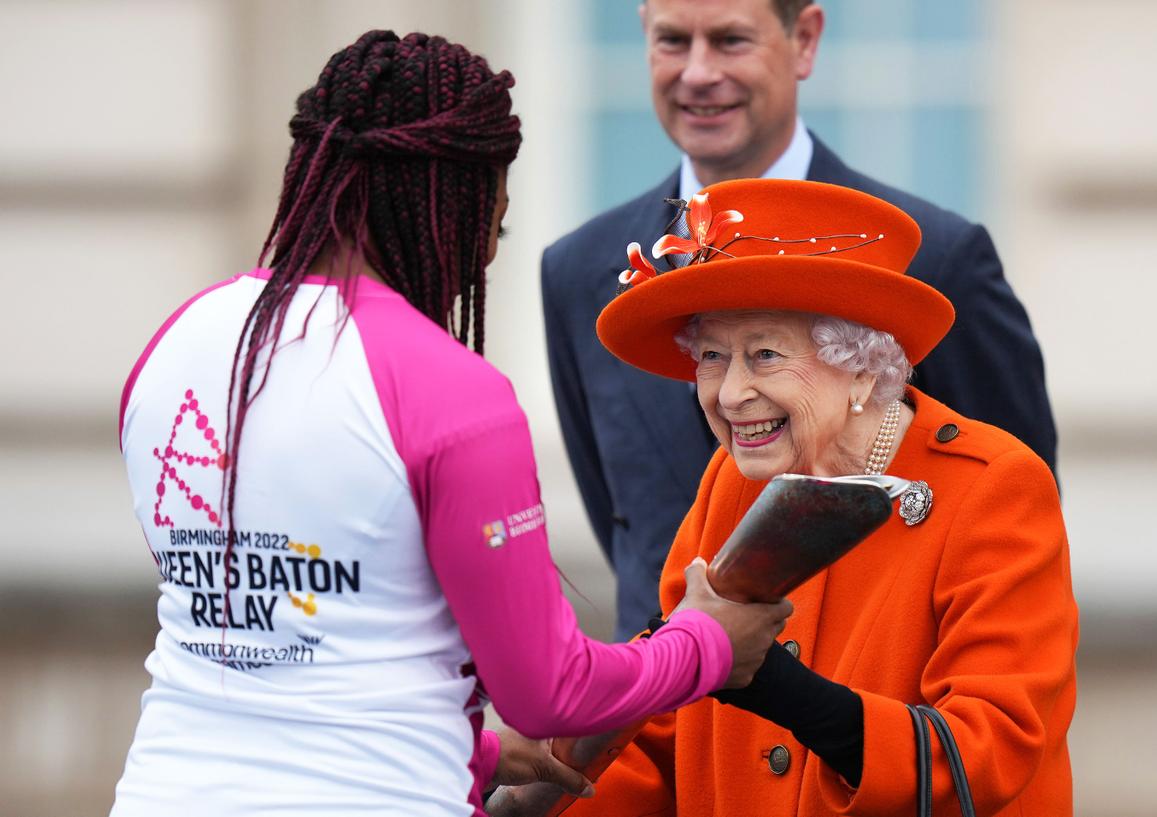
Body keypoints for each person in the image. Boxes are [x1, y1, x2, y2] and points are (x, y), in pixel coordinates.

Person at [111, 30, 790, 816]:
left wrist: (482, 747)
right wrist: (709, 642)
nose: (481, 262)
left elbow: (285, 653)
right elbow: (551, 689)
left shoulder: (176, 343)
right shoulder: (450, 389)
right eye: (490, 228)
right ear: (451, 202)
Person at [541, 0, 1058, 641]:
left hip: (876, 709)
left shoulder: (936, 258)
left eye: (730, 40)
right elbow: (614, 510)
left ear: (805, 40)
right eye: (672, 41)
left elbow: (1013, 508)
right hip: (664, 718)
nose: (698, 73)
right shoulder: (577, 270)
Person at [558, 178, 1077, 814]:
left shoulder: (992, 484)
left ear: (861, 365)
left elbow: (991, 749)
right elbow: (664, 734)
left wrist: (780, 689)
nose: (728, 394)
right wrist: (538, 784)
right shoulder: (729, 481)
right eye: (714, 356)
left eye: (766, 354)